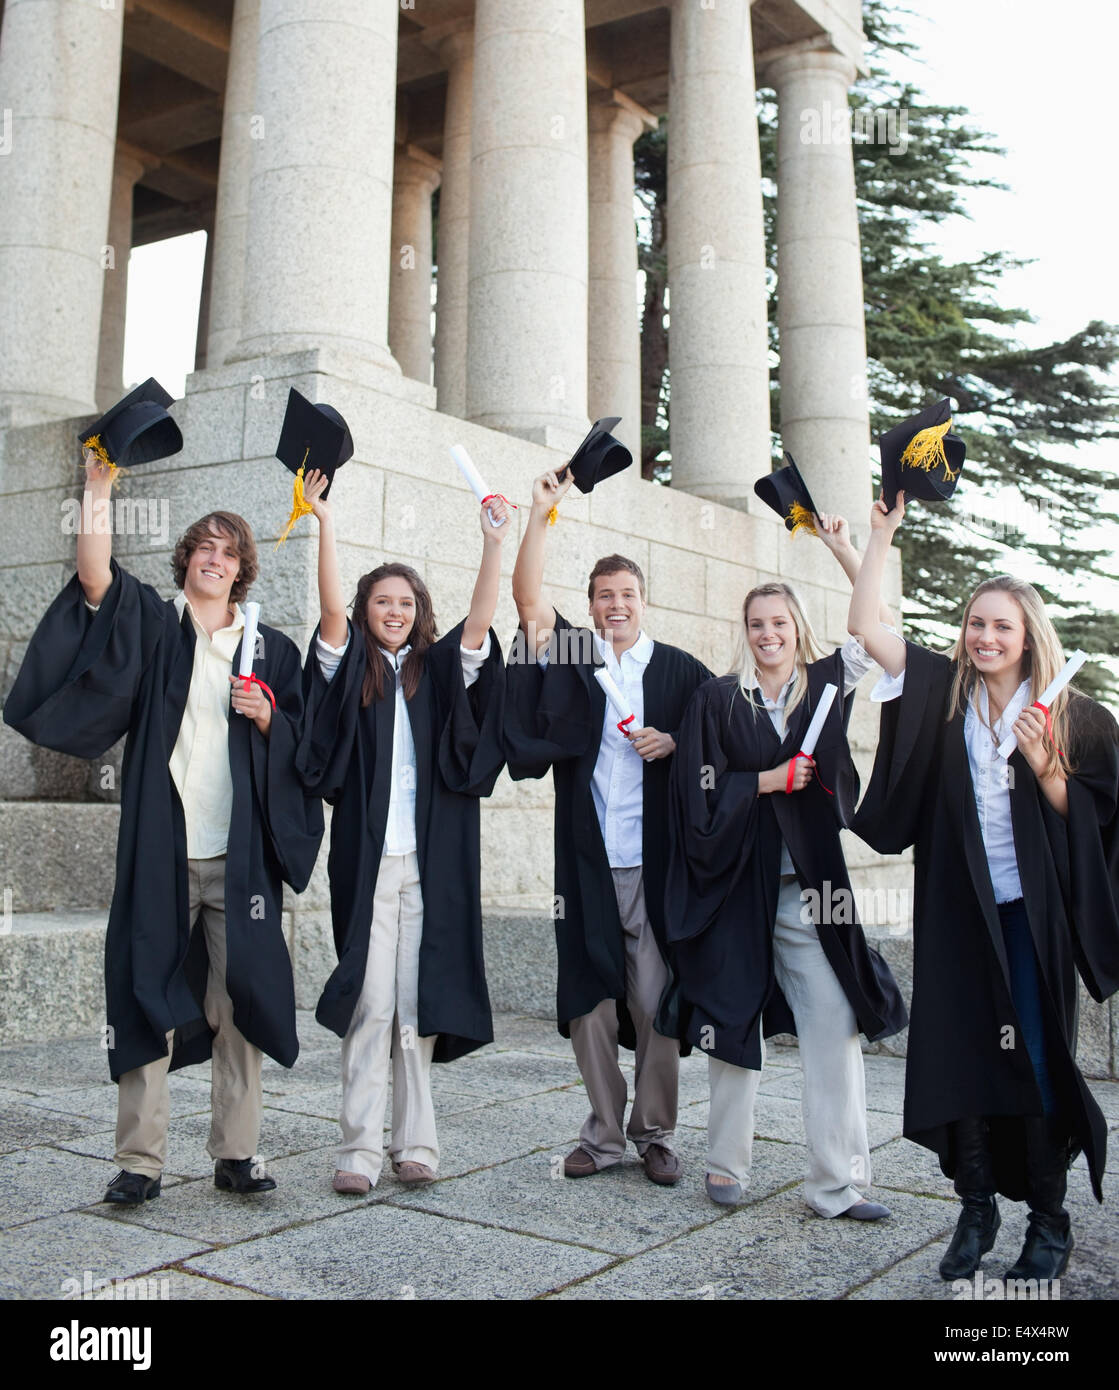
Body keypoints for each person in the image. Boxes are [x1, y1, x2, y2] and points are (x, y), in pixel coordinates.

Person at [3, 450, 324, 1203]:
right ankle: (140, 1161)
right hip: (162, 852)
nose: (215, 559)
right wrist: (96, 487)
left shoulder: (268, 649)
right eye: (204, 548)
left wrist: (272, 717)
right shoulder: (155, 626)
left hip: (241, 861)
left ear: (243, 569)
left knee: (240, 999)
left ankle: (236, 1154)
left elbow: (310, 748)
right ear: (187, 561)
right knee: (142, 990)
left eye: (228, 551)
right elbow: (93, 577)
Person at [848, 490, 1119, 1282]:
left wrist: (1044, 768)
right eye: (976, 623)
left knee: (1035, 1056)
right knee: (959, 1056)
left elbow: (1097, 818)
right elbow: (867, 628)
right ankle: (974, 1211)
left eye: (1001, 625)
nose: (986, 636)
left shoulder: (1072, 715)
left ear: (1027, 634)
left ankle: (1049, 1218)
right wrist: (878, 534)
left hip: (1033, 921)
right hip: (957, 916)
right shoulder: (941, 696)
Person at [666, 512, 907, 1213]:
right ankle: (725, 1164)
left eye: (778, 623)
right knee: (730, 1024)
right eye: (756, 625)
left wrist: (845, 546)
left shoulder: (827, 685)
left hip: (809, 891)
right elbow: (694, 794)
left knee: (833, 1028)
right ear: (744, 633)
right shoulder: (716, 700)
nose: (767, 635)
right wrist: (766, 782)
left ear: (796, 627)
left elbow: (876, 631)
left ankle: (837, 1183)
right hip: (732, 888)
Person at [296, 469, 507, 1195]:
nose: (393, 610)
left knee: (417, 1005)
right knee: (370, 1002)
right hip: (367, 862)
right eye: (381, 601)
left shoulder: (437, 669)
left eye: (404, 602)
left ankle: (416, 1145)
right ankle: (357, 1150)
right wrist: (324, 522)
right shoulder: (351, 667)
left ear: (419, 612)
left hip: (431, 864)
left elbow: (480, 619)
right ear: (365, 610)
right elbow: (328, 609)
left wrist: (492, 542)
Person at [504, 467, 712, 1186]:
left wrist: (676, 746)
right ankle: (601, 1136)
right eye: (603, 596)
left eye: (626, 594)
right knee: (588, 1003)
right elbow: (528, 600)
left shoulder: (682, 674)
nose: (615, 604)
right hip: (589, 865)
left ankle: (654, 1132)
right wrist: (538, 513)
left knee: (655, 1001)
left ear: (642, 601)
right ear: (591, 607)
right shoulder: (577, 656)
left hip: (655, 869)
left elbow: (723, 750)